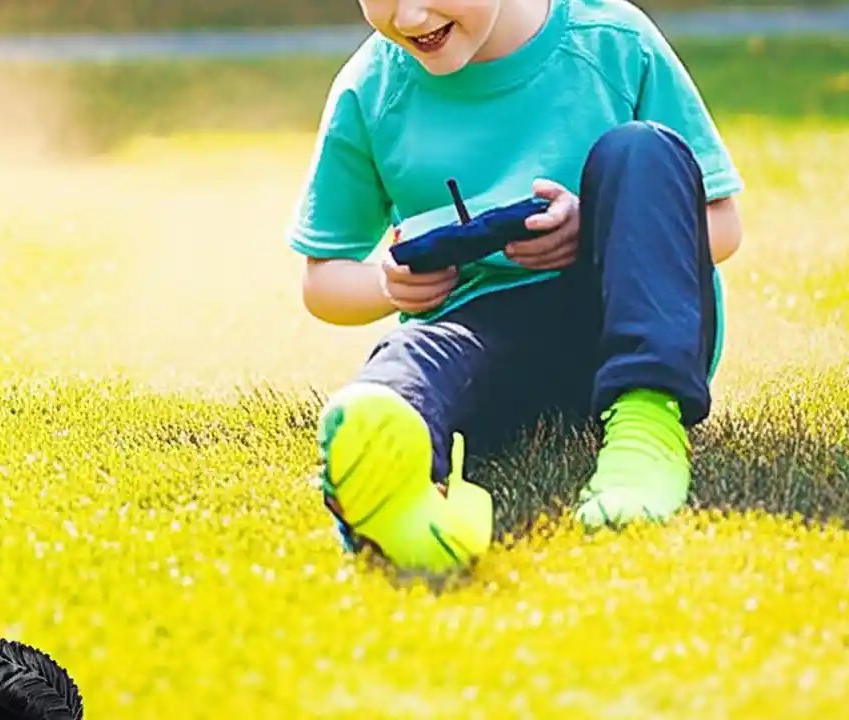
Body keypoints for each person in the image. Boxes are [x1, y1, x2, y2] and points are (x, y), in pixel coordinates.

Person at [288, 0, 745, 574]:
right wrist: (387, 285)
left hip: (625, 319)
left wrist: (597, 226)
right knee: (413, 358)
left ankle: (646, 431)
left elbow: (722, 227)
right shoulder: (372, 87)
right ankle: (397, 493)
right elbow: (322, 278)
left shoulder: (614, 42)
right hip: (487, 348)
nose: (408, 18)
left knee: (639, 148)